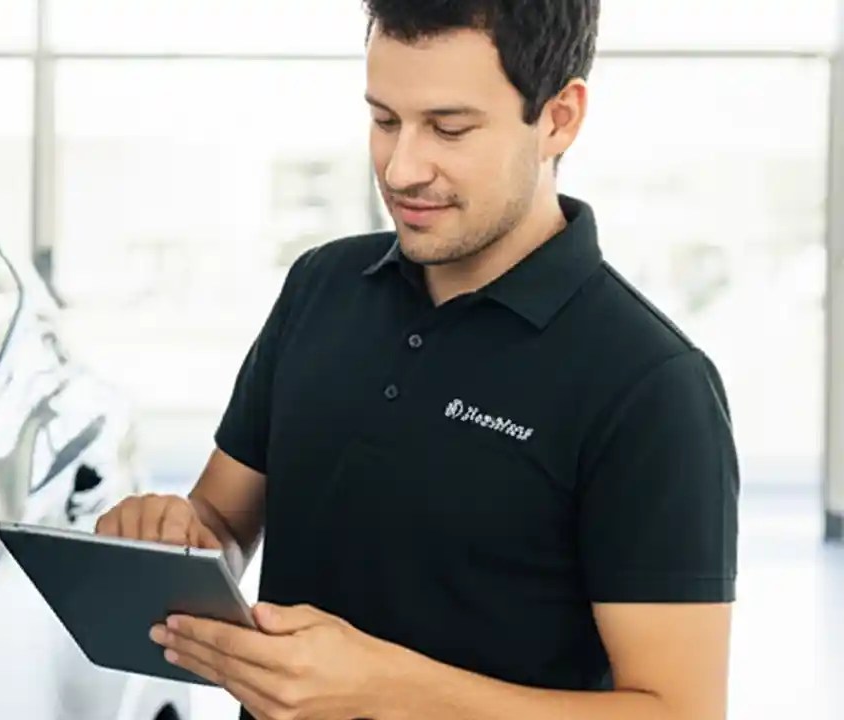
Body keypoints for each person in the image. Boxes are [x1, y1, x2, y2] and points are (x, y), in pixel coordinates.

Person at [95, 1, 739, 718]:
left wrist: (385, 687)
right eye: (384, 120)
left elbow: (679, 710)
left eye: (449, 128)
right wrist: (174, 535)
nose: (401, 169)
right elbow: (221, 516)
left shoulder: (652, 385)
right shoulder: (321, 285)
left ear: (559, 118)